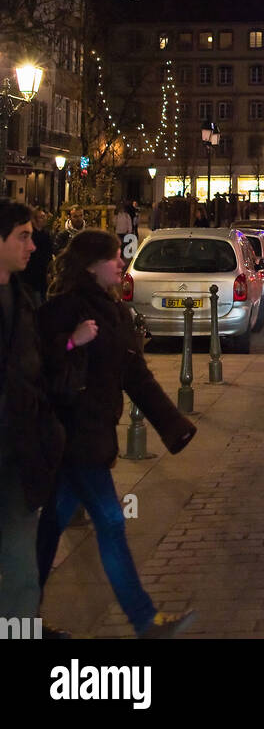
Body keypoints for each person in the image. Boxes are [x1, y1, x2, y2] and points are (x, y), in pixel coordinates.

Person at [37, 231, 197, 638]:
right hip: (73, 435)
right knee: (110, 521)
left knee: (51, 525)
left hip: (91, 434)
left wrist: (172, 426)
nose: (121, 264)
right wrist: (73, 343)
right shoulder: (66, 308)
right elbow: (39, 361)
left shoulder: (114, 312)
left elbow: (135, 375)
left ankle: (21, 615)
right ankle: (145, 619)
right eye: (113, 259)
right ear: (91, 264)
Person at [0, 203, 65, 628]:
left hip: (18, 453)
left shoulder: (20, 297)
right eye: (22, 235)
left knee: (22, 570)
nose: (33, 243)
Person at [22, 208, 54, 306]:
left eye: (45, 217)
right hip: (32, 273)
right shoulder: (30, 235)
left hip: (43, 273)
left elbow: (49, 253)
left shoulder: (46, 234)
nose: (44, 219)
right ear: (34, 219)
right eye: (41, 217)